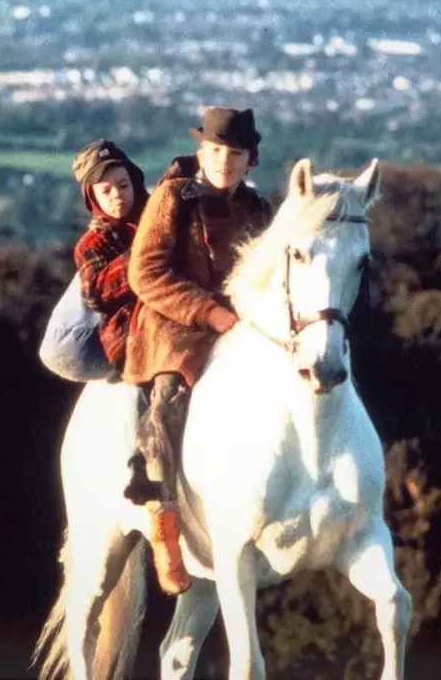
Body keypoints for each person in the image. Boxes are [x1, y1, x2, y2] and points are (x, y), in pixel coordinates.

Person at [121, 108, 274, 595]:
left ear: (250, 161)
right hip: (174, 324)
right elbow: (145, 273)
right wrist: (208, 313)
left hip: (239, 323)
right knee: (167, 403)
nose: (224, 162)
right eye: (215, 152)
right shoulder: (173, 197)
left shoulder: (257, 209)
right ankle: (164, 527)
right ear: (201, 152)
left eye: (235, 154)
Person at [38, 139, 149, 381]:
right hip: (120, 331)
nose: (117, 195)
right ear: (93, 199)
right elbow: (97, 294)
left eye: (123, 185)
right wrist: (144, 253)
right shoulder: (92, 244)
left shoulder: (155, 218)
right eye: (106, 191)